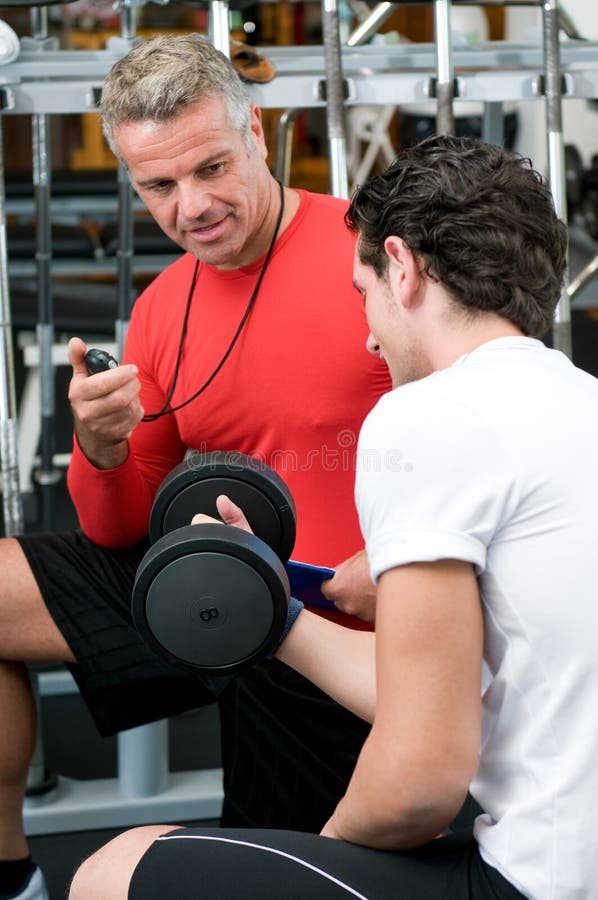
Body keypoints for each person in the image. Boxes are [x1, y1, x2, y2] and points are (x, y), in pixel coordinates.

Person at [69, 134, 598, 900]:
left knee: (114, 870)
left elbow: (418, 782)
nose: (367, 332)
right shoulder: (579, 401)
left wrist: (321, 863)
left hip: (539, 884)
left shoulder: (425, 415)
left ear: (403, 269)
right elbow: (426, 698)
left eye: (363, 291)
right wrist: (276, 610)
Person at [0, 33, 393, 900]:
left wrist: (408, 566)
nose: (193, 207)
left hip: (344, 620)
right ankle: (8, 878)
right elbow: (117, 527)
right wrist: (100, 451)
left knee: (290, 866)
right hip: (219, 580)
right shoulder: (163, 306)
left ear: (257, 132)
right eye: (159, 187)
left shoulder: (377, 256)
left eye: (212, 167)